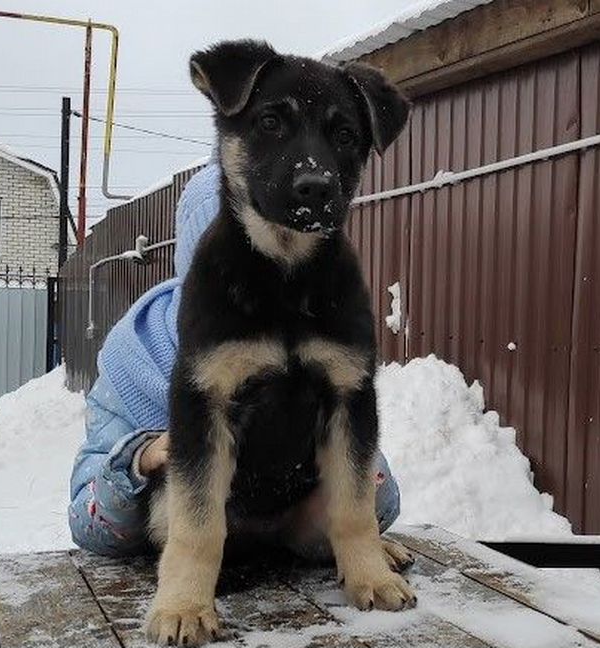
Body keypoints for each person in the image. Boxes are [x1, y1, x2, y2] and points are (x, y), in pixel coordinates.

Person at [68, 153, 401, 557]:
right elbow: (87, 525)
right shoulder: (135, 360)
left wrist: (323, 452)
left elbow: (383, 499)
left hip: (291, 559)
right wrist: (139, 461)